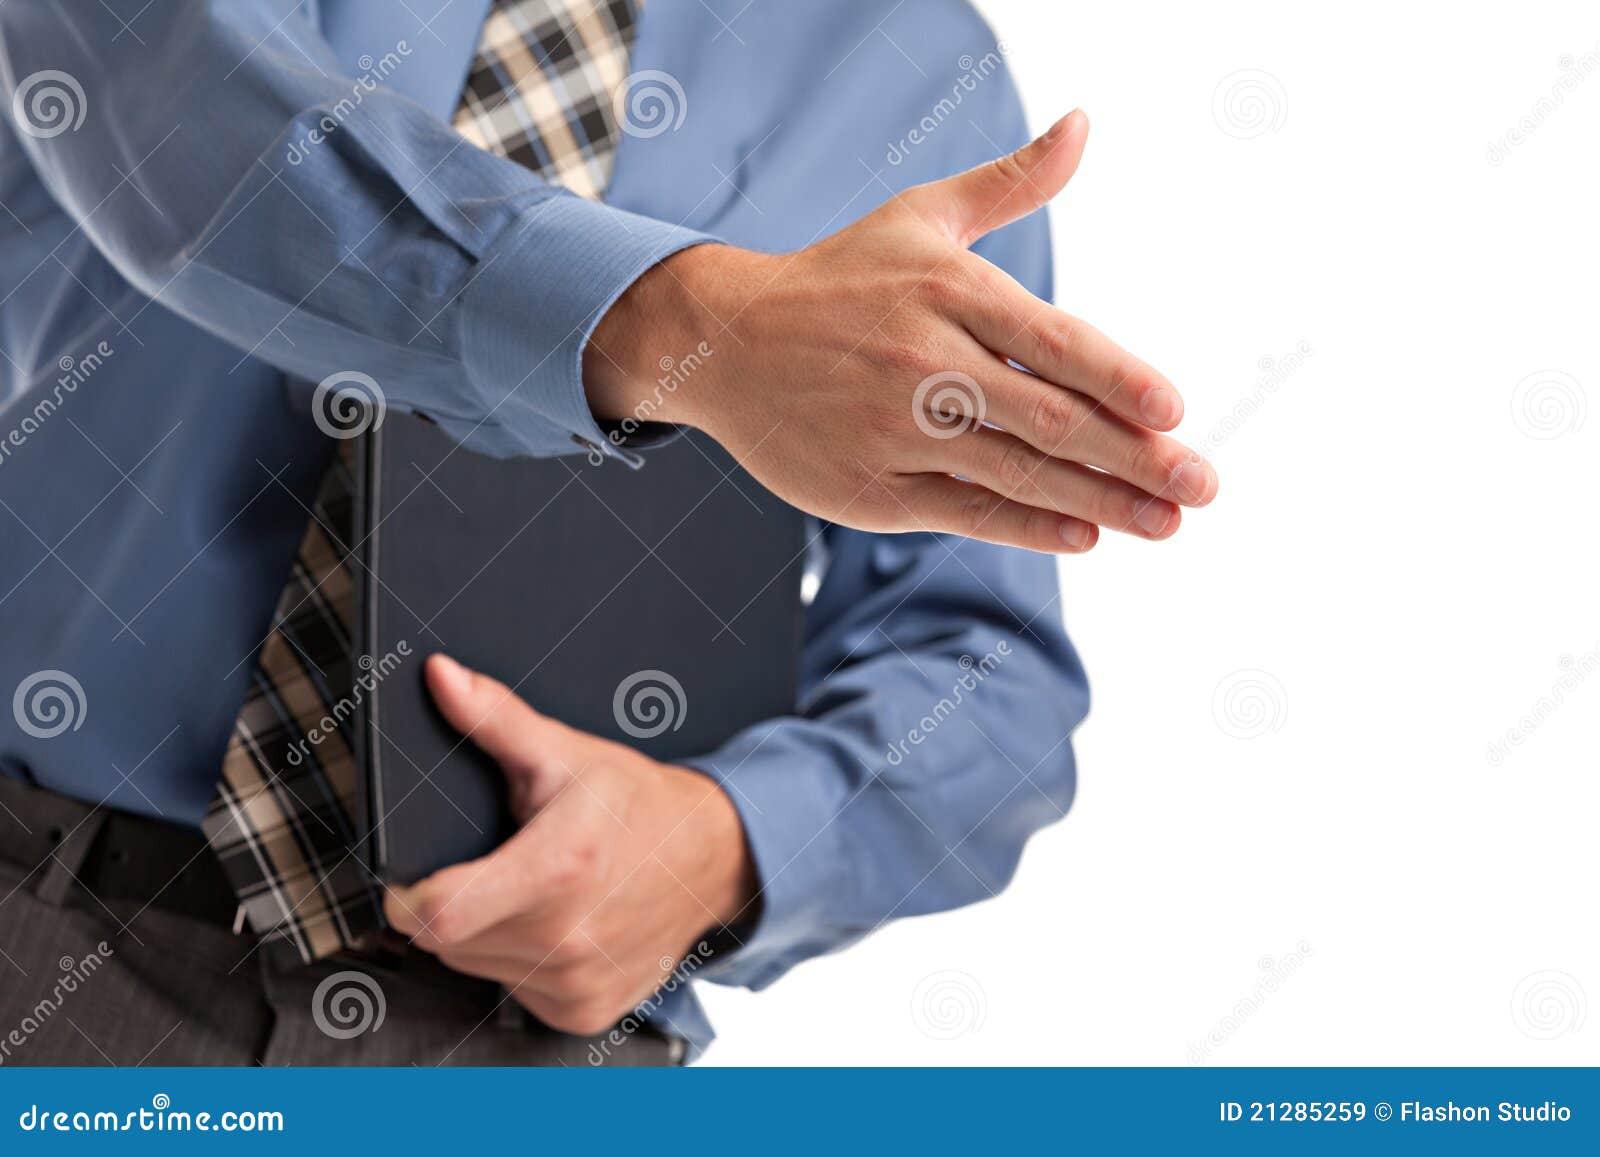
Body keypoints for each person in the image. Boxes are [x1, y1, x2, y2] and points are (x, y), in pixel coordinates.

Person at [0, 0, 1214, 1064]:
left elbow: (982, 675)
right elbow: (179, 113)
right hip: (46, 919)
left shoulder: (918, 68)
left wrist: (724, 846)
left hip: (547, 1045)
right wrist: (684, 327)